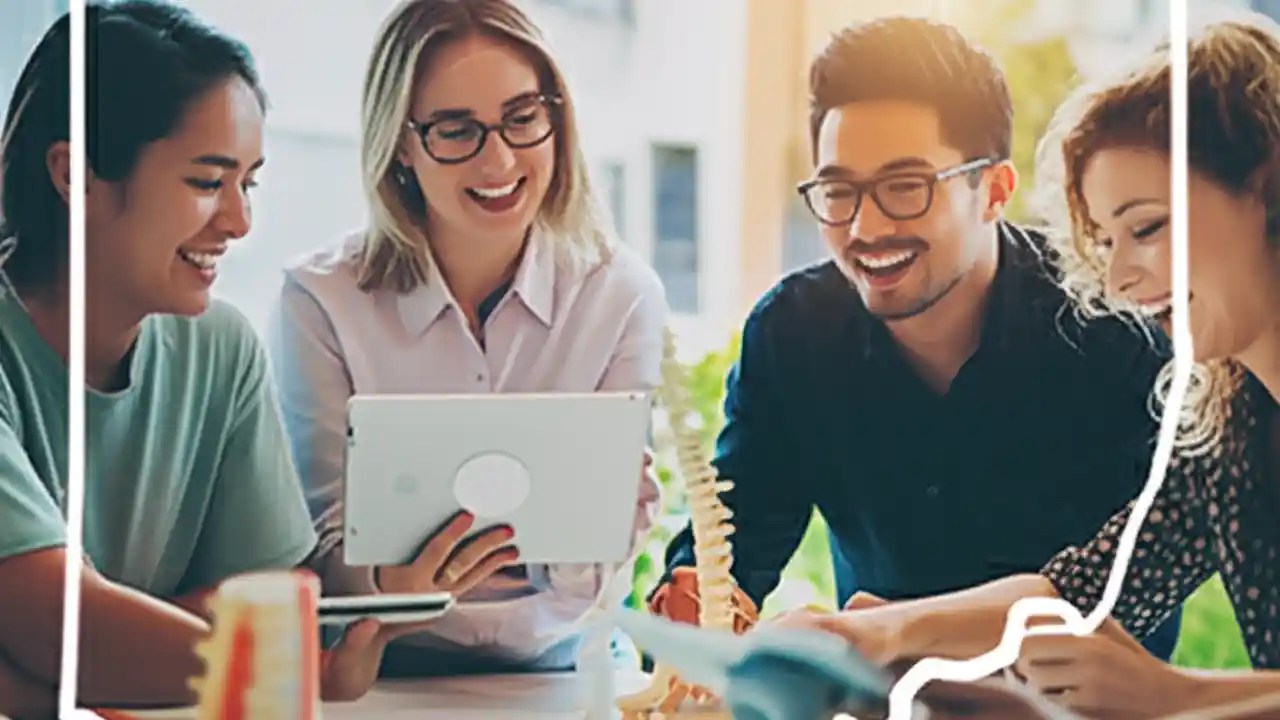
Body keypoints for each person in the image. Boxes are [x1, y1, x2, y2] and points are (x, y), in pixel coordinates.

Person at [768, 10, 1280, 718]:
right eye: (1106, 241)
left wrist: (1177, 696)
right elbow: (1075, 591)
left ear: (1265, 188)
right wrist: (859, 632)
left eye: (1148, 228)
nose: (1123, 280)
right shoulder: (1231, 431)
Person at [647, 14, 1182, 653]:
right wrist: (692, 599)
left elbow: (1124, 590)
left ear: (994, 190)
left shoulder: (1113, 330)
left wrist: (877, 632)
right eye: (838, 191)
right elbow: (735, 539)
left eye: (905, 188)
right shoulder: (793, 335)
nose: (866, 228)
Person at [0, 3, 433, 714]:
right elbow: (63, 627)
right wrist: (284, 665)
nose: (238, 221)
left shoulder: (221, 351)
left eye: (248, 183)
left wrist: (59, 655)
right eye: (207, 182)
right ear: (74, 175)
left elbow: (271, 605)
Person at [267, 0, 665, 676]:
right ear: (399, 142)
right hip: (384, 664)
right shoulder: (320, 302)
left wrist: (601, 522)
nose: (500, 159)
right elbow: (321, 553)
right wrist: (397, 590)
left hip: (571, 661)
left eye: (522, 118)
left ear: (555, 118)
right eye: (456, 130)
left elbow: (604, 558)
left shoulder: (621, 292)